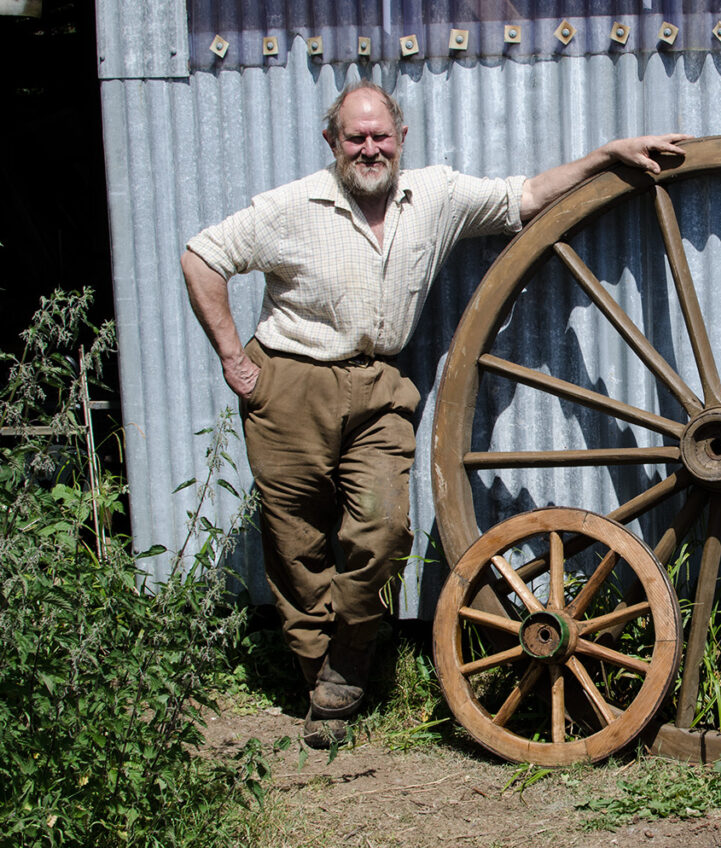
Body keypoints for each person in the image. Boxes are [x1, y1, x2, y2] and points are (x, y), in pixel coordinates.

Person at [181, 79, 689, 747]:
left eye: (379, 136)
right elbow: (202, 257)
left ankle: (354, 653)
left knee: (384, 530)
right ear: (332, 142)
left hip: (381, 384)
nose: (369, 148)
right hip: (290, 383)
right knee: (297, 543)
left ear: (401, 139)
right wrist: (231, 358)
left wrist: (604, 157)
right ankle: (323, 681)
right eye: (355, 137)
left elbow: (524, 197)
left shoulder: (436, 196)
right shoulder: (290, 207)